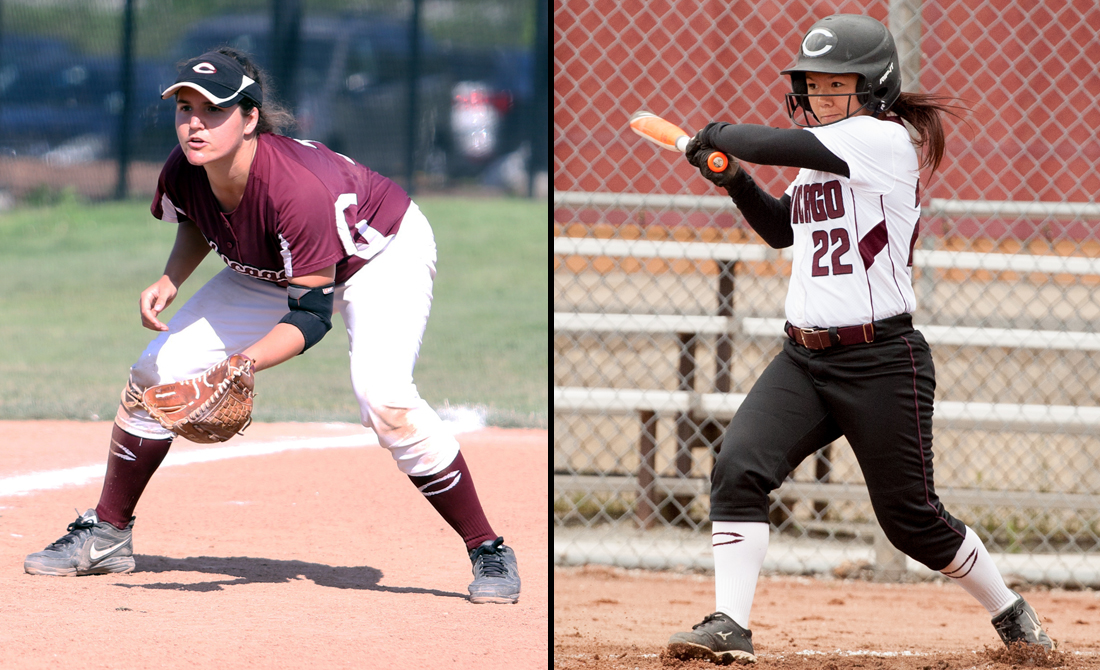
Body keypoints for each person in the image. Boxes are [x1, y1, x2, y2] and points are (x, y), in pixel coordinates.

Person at [23, 48, 521, 605]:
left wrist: (241, 364)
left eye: (213, 111)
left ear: (250, 117)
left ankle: (489, 549)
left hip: (378, 256)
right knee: (154, 372)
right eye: (185, 108)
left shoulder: (296, 187)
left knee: (385, 400)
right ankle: (108, 534)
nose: (194, 123)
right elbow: (194, 220)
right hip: (270, 265)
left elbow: (310, 315)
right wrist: (171, 278)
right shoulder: (184, 168)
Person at [665, 14, 1053, 664]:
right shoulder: (825, 156)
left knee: (912, 522)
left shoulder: (882, 139)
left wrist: (719, 135)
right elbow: (785, 228)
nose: (819, 96)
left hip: (881, 360)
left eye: (835, 84)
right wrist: (734, 179)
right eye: (812, 84)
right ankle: (730, 624)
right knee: (738, 465)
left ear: (874, 88)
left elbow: (772, 141)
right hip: (803, 358)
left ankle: (1010, 611)